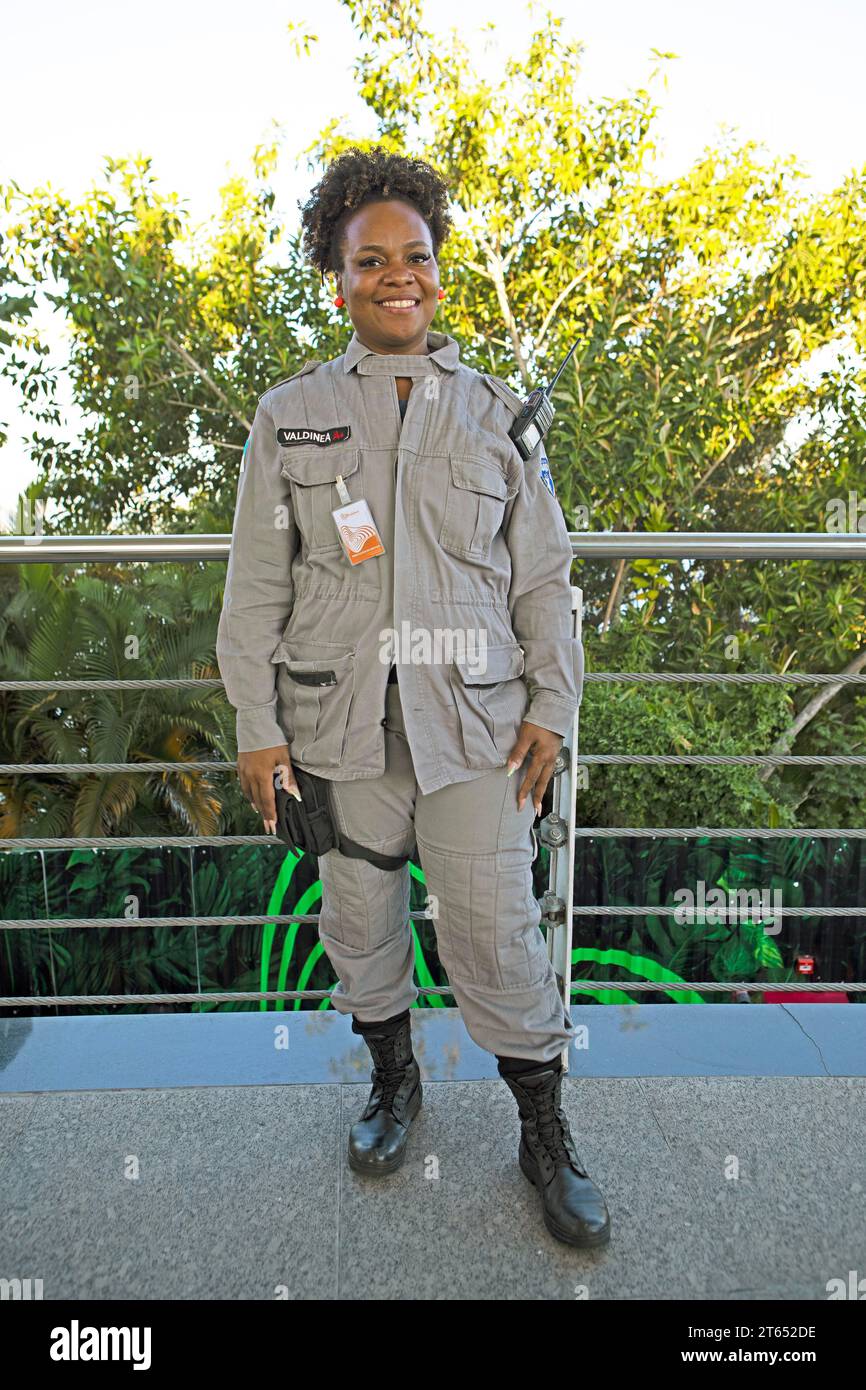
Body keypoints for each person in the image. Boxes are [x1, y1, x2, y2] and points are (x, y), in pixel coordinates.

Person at [216, 146, 610, 1249]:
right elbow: (255, 585)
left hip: (476, 732)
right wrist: (257, 728)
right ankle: (394, 1082)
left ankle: (543, 1131)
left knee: (497, 932)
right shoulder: (290, 415)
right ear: (337, 278)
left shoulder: (498, 417)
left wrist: (554, 709)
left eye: (417, 255)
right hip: (334, 727)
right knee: (356, 921)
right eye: (370, 259)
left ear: (439, 271)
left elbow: (543, 582)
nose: (398, 274)